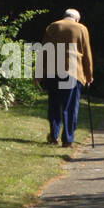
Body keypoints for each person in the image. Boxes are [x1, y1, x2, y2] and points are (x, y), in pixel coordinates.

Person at [41, 8, 93, 147]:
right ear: (77, 19)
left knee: (54, 105)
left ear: (64, 17)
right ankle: (68, 139)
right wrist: (89, 75)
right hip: (72, 72)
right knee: (69, 107)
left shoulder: (53, 27)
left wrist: (39, 73)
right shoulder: (81, 29)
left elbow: (44, 50)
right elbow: (86, 54)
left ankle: (53, 135)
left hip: (53, 72)